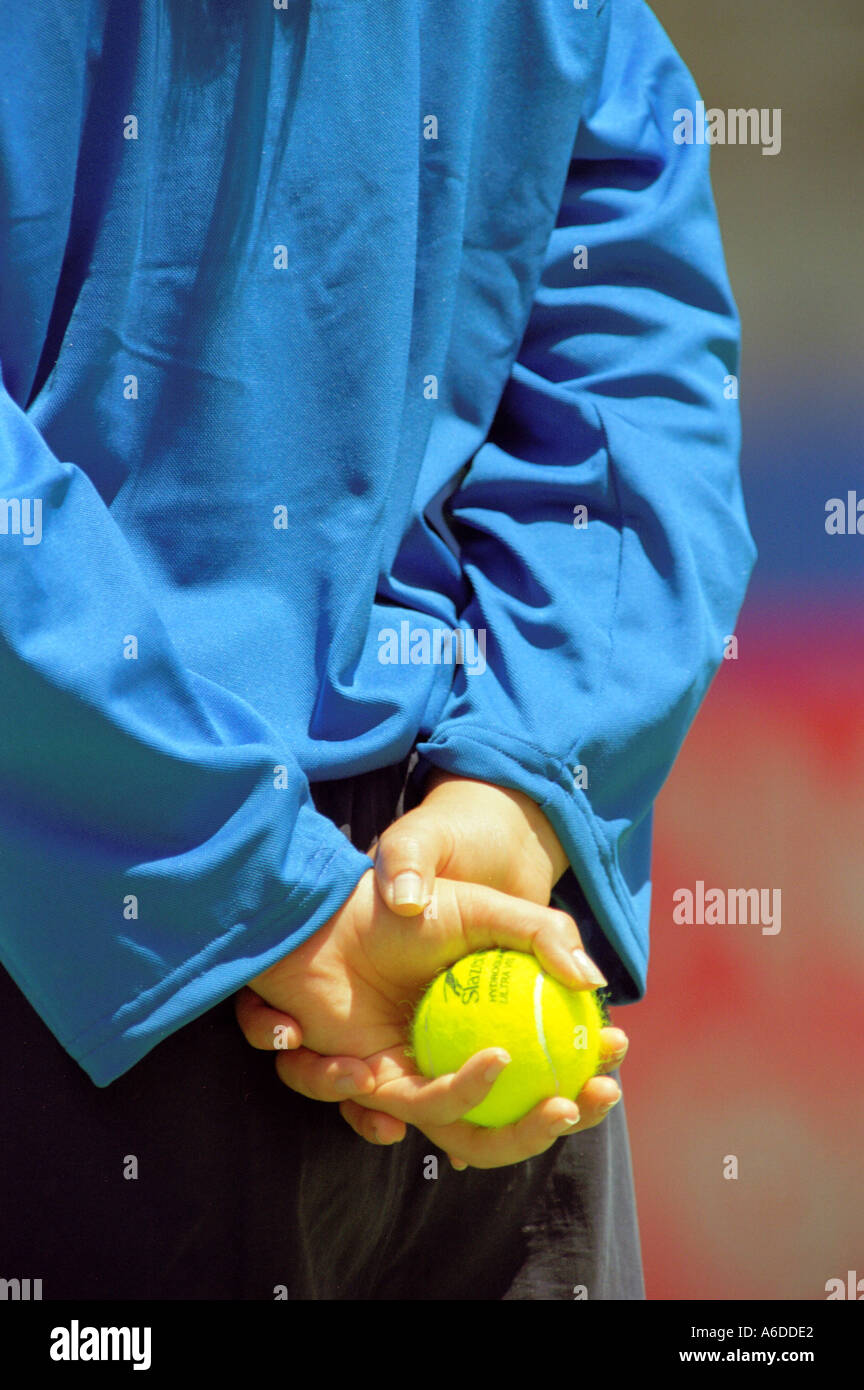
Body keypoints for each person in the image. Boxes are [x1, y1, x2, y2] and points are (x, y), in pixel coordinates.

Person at [0, 0, 755, 1300]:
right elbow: (636, 313)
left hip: (174, 947)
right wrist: (522, 783)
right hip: (439, 931)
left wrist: (494, 802)